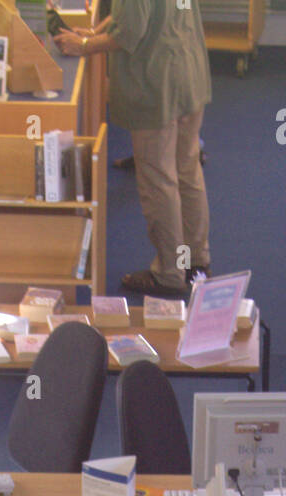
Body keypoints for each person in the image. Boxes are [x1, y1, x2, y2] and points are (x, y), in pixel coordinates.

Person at [54, 2, 211, 297]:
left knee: (160, 182)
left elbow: (129, 33)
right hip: (188, 72)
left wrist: (85, 44)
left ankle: (170, 273)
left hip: (158, 83)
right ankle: (195, 261)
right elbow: (136, 15)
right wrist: (96, 30)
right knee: (187, 171)